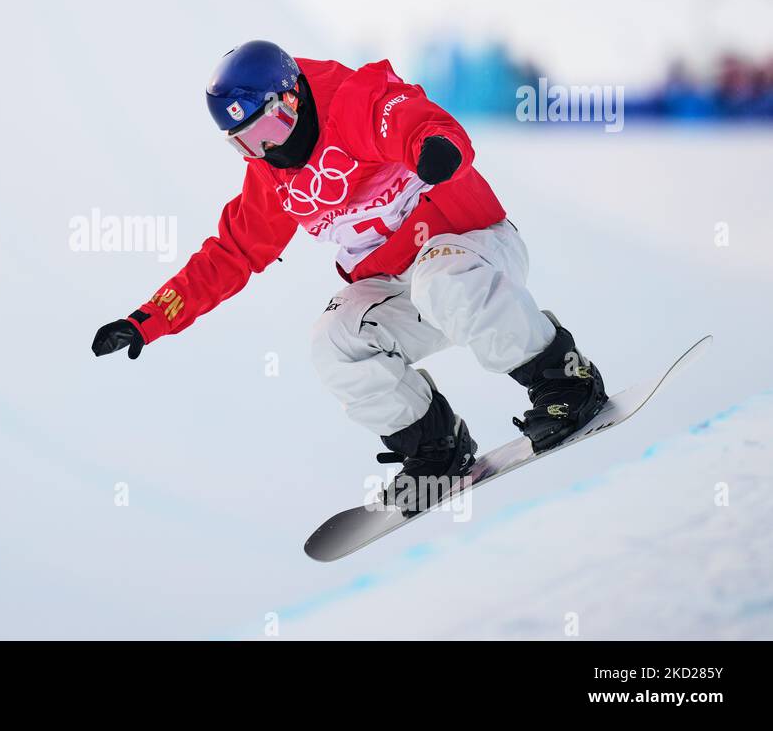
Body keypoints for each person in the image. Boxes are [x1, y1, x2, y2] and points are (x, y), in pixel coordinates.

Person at [91, 40, 606, 511]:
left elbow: (416, 119)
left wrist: (437, 148)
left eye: (267, 132)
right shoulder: (272, 178)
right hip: (405, 288)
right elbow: (231, 253)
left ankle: (565, 378)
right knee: (334, 341)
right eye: (245, 145)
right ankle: (436, 448)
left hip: (473, 247)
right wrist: (150, 319)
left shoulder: (353, 102)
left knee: (439, 280)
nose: (266, 152)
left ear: (290, 98)